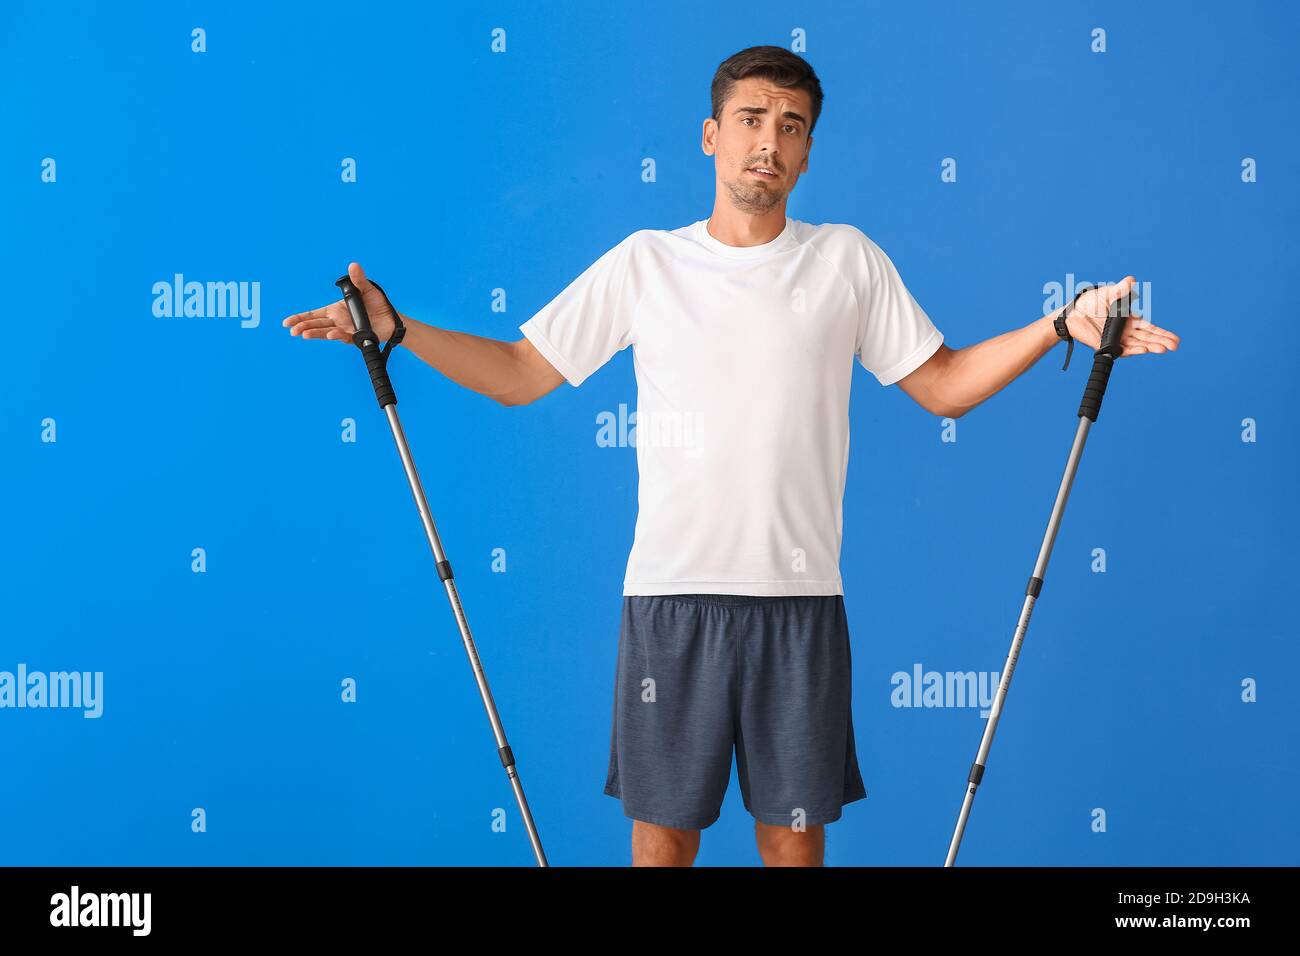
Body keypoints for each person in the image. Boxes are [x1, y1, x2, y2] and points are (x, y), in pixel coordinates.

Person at [283, 45, 1179, 867]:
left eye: (792, 127)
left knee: (794, 849)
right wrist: (401, 330)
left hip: (800, 603)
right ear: (712, 136)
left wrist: (1060, 323)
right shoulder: (647, 264)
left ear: (808, 153)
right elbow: (521, 373)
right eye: (752, 120)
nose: (770, 141)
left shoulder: (847, 262)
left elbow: (943, 384)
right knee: (663, 841)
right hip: (672, 598)